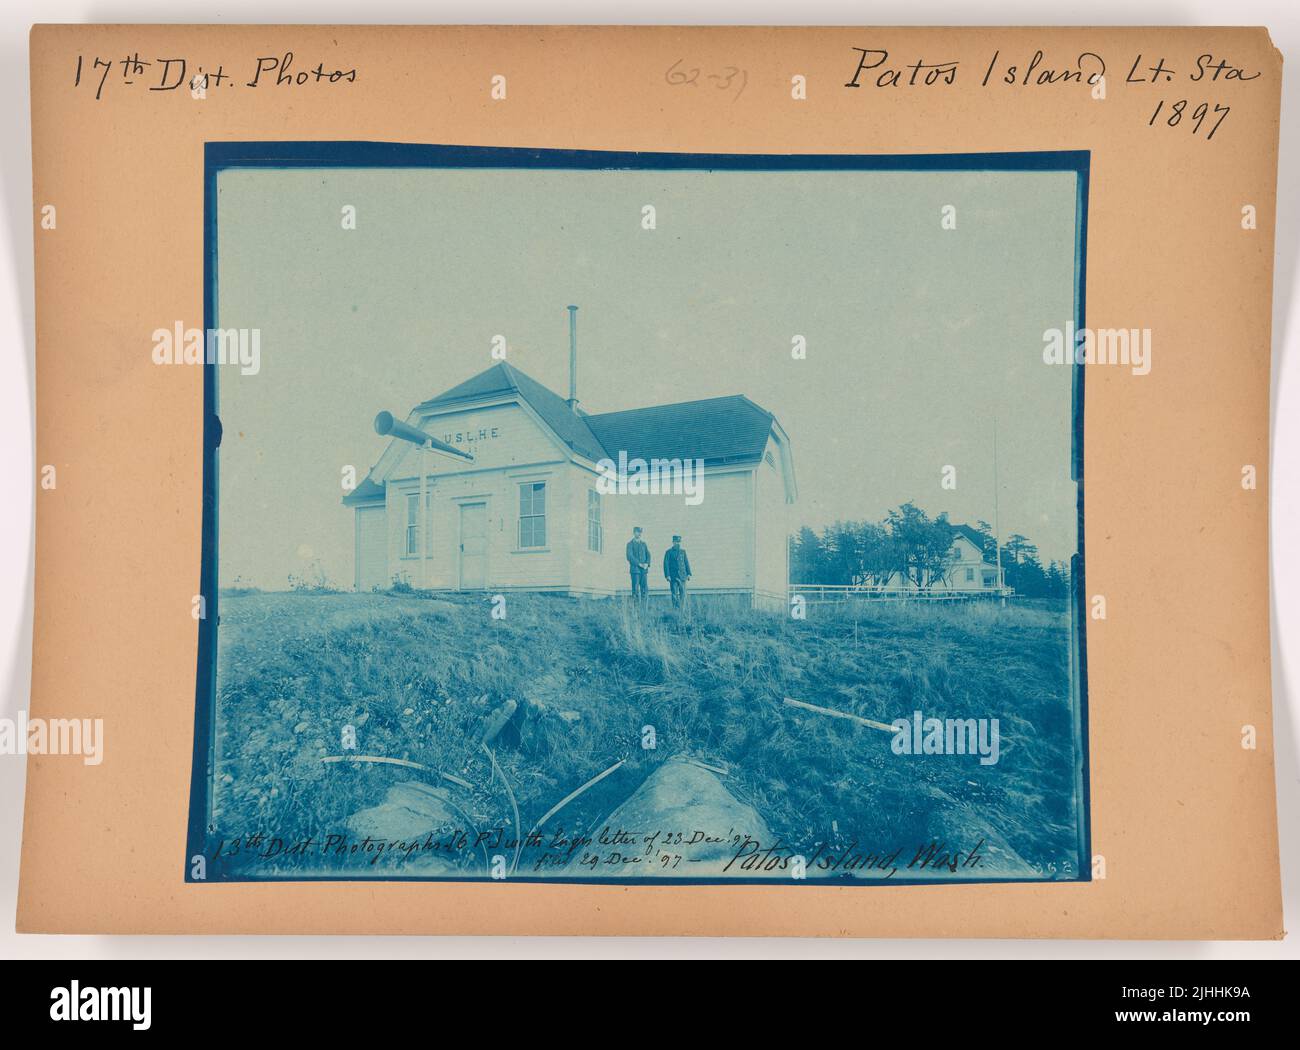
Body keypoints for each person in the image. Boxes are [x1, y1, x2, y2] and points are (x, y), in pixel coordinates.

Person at [663, 535, 692, 610]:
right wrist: (667, 575)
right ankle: (676, 609)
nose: (677, 543)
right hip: (673, 576)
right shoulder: (668, 552)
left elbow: (686, 563)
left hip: (682, 576)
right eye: (676, 542)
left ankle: (683, 609)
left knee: (683, 593)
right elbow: (665, 564)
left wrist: (688, 573)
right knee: (674, 594)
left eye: (679, 542)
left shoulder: (683, 552)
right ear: (673, 542)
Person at [626, 526, 650, 604]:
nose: (639, 534)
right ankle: (636, 609)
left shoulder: (644, 544)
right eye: (637, 532)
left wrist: (647, 563)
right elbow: (629, 556)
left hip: (644, 571)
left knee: (644, 589)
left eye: (640, 532)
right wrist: (639, 564)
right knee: (635, 590)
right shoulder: (630, 544)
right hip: (635, 570)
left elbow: (648, 555)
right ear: (634, 533)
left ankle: (644, 610)